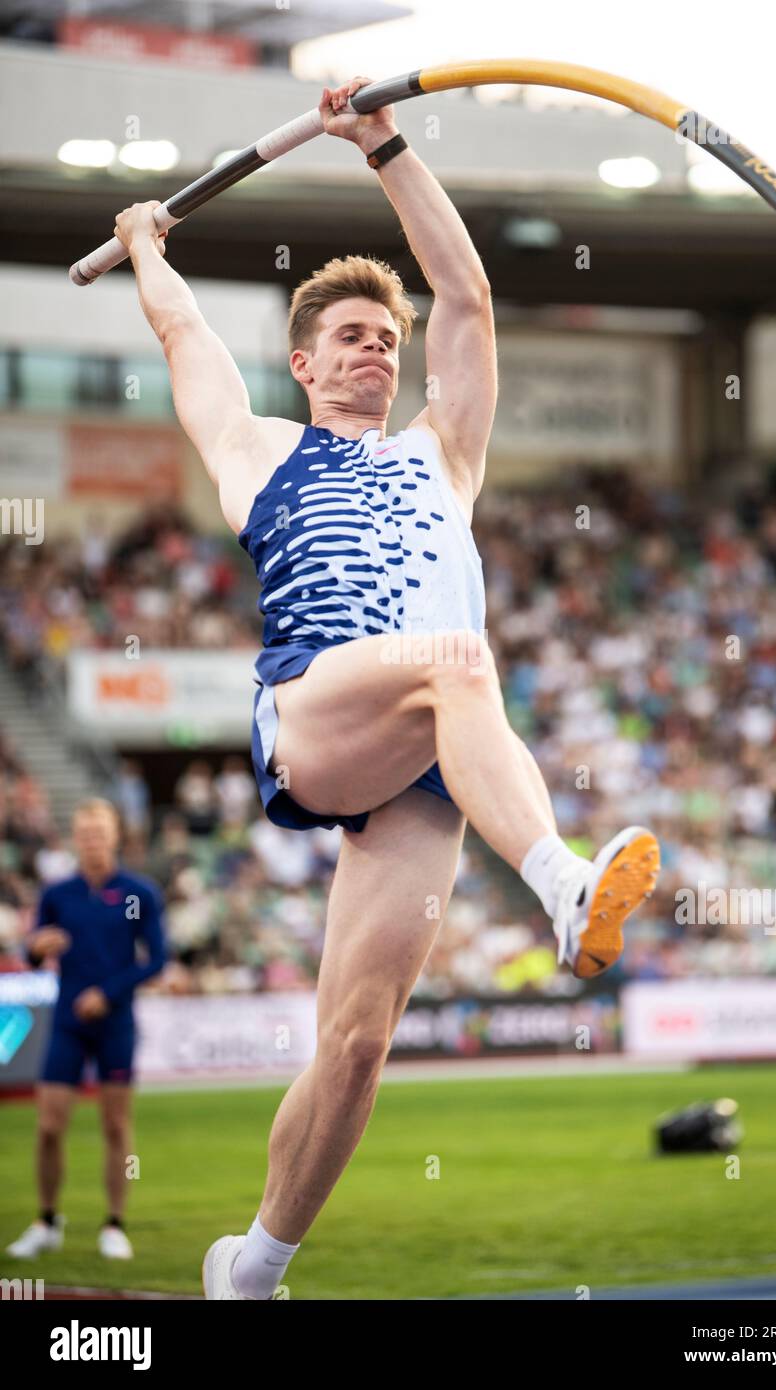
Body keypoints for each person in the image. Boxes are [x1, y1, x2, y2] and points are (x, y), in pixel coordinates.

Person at [113, 74, 661, 1300]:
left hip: (425, 762)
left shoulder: (442, 454)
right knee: (459, 660)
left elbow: (464, 294)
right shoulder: (258, 449)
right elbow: (182, 338)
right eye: (352, 336)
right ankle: (564, 888)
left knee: (356, 1045)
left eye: (386, 338)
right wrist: (148, 244)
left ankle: (250, 1268)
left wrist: (386, 146)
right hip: (318, 717)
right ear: (304, 359)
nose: (377, 348)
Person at [6, 799, 166, 1262]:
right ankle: (47, 1219)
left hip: (115, 1023)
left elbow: (154, 958)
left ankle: (115, 1223)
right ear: (75, 838)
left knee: (116, 1125)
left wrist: (108, 993)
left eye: (100, 832)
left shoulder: (138, 894)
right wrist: (37, 949)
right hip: (68, 1023)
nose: (92, 841)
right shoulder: (60, 894)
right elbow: (34, 950)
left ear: (115, 836)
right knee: (49, 1125)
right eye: (84, 833)